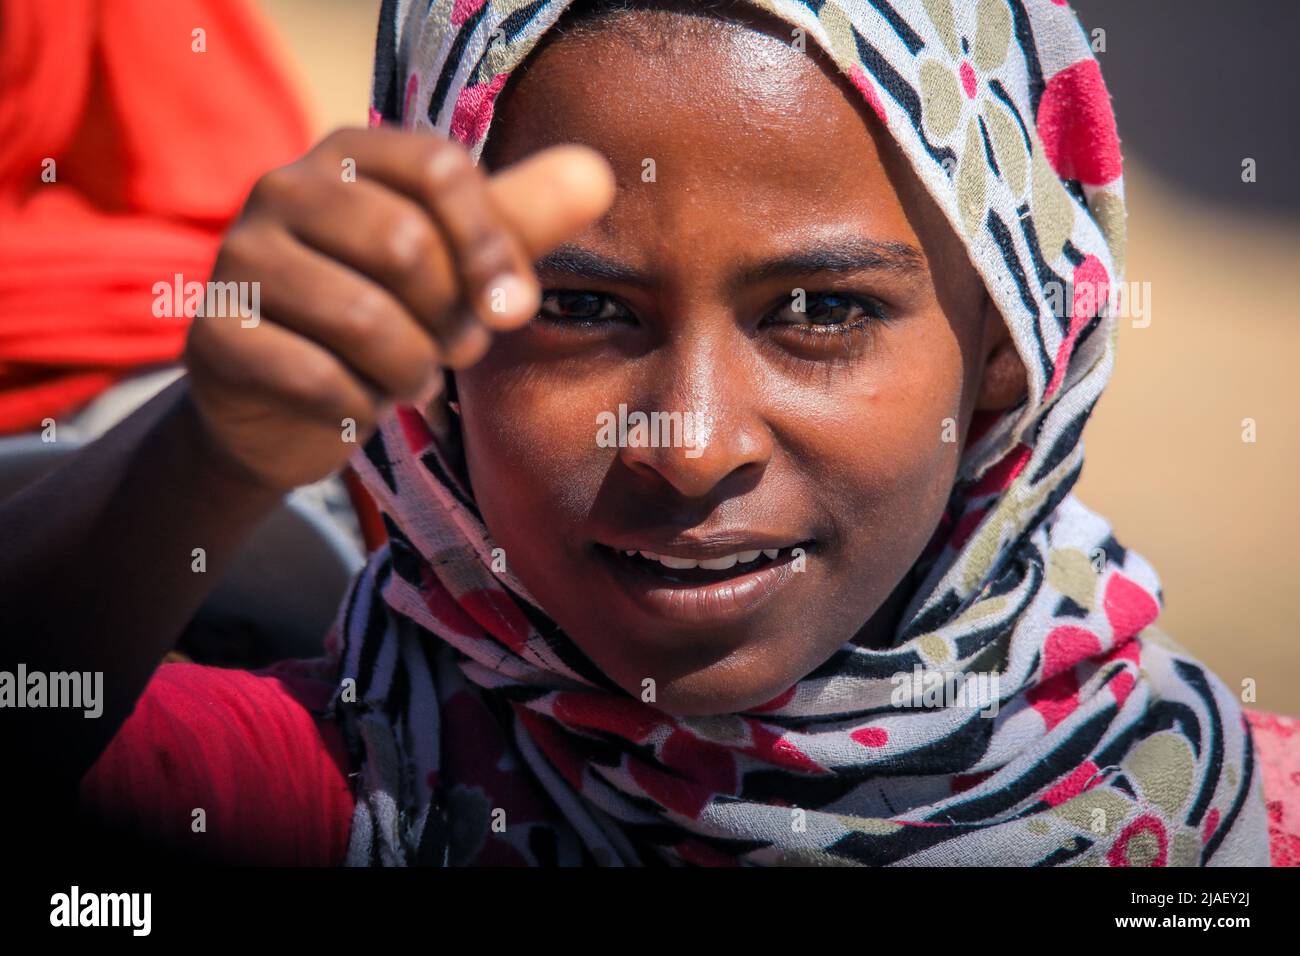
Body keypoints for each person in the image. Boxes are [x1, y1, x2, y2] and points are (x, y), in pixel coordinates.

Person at [4, 0, 1296, 866]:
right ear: (441, 372)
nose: (685, 442)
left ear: (1017, 350)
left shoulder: (1238, 829)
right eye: (576, 309)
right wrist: (212, 448)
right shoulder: (344, 786)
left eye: (818, 312)